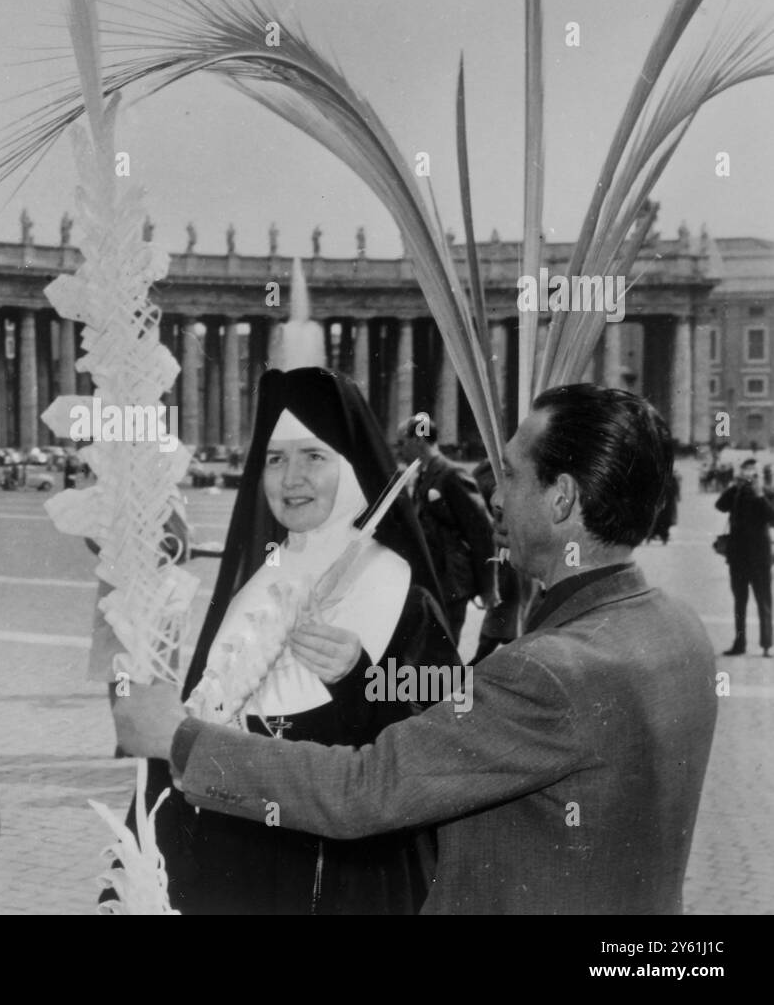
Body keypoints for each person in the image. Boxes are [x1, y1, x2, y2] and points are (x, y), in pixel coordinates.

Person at [115, 383, 718, 914]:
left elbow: (363, 789)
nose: (494, 495)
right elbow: (472, 737)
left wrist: (180, 740)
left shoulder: (546, 673)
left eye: (508, 473)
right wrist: (361, 676)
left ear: (561, 499)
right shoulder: (679, 629)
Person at [138, 367, 458, 915]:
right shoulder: (253, 588)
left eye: (314, 457)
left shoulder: (404, 592)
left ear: (352, 467)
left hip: (349, 882)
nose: (292, 479)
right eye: (275, 458)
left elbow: (448, 742)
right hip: (237, 872)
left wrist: (361, 679)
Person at [396, 415, 497, 643]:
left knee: (444, 652)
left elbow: (481, 531)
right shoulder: (423, 475)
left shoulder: (451, 475)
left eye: (402, 443)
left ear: (418, 440)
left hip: (451, 584)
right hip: (432, 581)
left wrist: (489, 587)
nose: (399, 451)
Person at [716, 457, 774, 656]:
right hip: (738, 558)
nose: (750, 477)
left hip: (760, 558)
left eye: (753, 473)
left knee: (764, 601)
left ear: (760, 475)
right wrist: (734, 486)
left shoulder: (767, 493)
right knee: (739, 603)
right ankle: (739, 643)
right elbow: (720, 505)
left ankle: (767, 644)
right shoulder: (737, 492)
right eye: (746, 472)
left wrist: (759, 494)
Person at [470, 459, 523, 662]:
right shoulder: (497, 482)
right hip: (508, 568)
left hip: (508, 569)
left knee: (495, 639)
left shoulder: (488, 476)